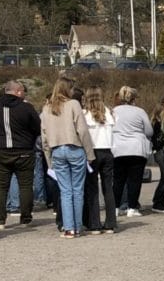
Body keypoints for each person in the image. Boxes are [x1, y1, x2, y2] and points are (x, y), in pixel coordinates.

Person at [41, 75, 95, 238]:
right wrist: (89, 153)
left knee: (65, 191)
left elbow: (44, 136)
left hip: (57, 150)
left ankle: (68, 228)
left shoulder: (46, 108)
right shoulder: (73, 104)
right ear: (68, 89)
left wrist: (48, 158)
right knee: (77, 190)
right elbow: (83, 130)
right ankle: (77, 226)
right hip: (74, 148)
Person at [0, 79, 40, 230]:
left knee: (0, 187)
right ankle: (25, 219)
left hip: (0, 151)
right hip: (23, 150)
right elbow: (37, 128)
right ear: (18, 91)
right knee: (25, 186)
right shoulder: (26, 107)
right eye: (23, 91)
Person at [111, 85, 153, 216]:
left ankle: (115, 207)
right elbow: (149, 131)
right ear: (133, 98)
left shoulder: (113, 111)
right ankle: (132, 207)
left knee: (118, 180)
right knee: (134, 180)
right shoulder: (140, 111)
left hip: (118, 149)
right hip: (136, 148)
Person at [82, 85, 117, 234]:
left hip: (92, 152)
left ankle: (94, 224)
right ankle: (110, 223)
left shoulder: (85, 114)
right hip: (108, 151)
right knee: (108, 188)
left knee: (92, 188)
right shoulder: (108, 112)